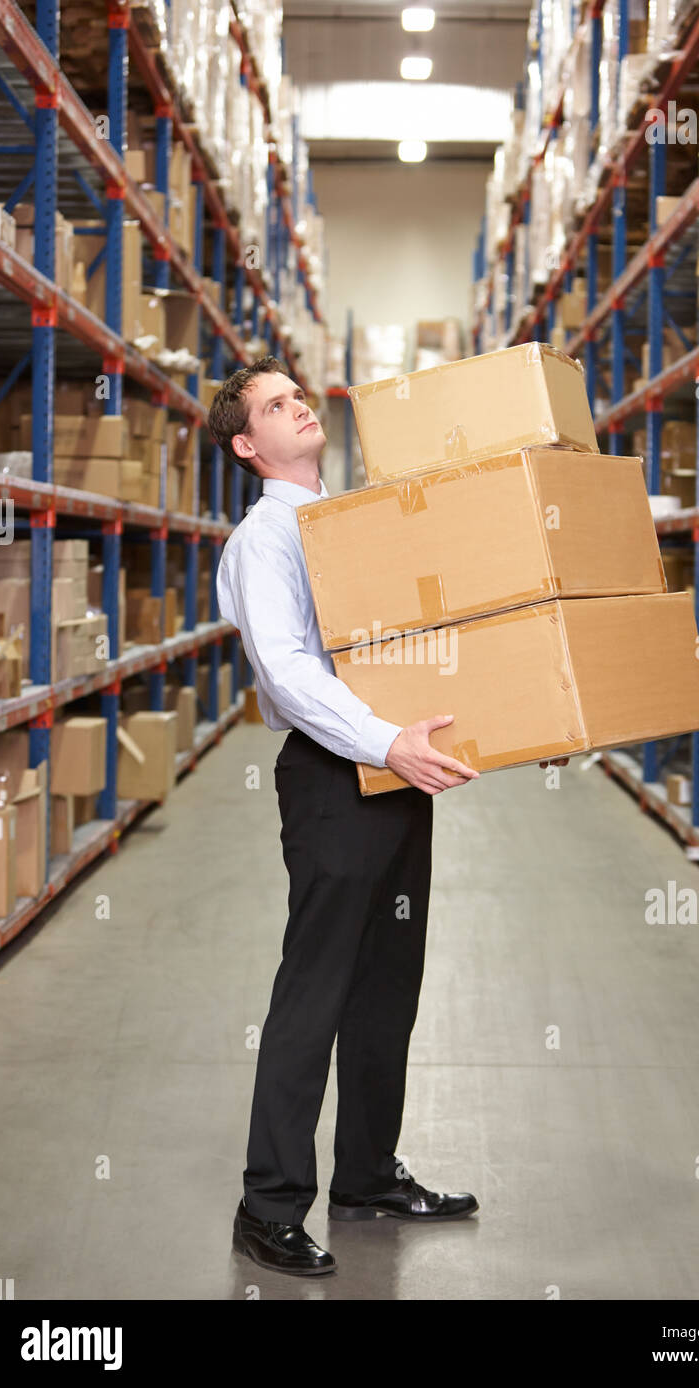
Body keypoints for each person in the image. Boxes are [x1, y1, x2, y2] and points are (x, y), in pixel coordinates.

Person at [209, 357, 485, 1279]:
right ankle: (269, 1203)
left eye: (299, 393)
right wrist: (385, 746)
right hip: (336, 776)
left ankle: (366, 1174)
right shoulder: (266, 539)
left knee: (388, 984)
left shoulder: (352, 523)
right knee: (316, 987)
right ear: (248, 445)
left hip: (393, 766)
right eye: (275, 405)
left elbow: (426, 643)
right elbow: (287, 673)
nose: (299, 406)